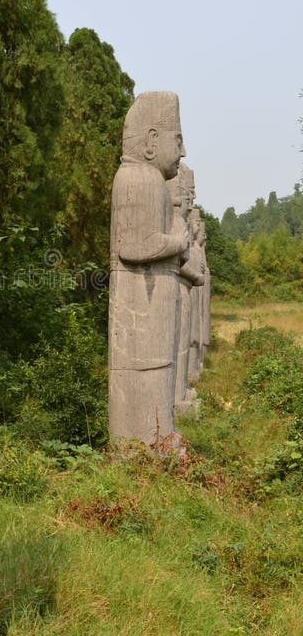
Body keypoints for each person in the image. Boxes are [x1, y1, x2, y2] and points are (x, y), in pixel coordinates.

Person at [108, 91, 188, 447]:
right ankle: (140, 445)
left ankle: (156, 438)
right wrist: (179, 242)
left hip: (151, 311)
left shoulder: (151, 180)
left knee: (157, 372)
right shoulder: (138, 179)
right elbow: (135, 245)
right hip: (139, 311)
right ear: (152, 140)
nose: (183, 152)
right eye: (178, 140)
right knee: (144, 373)